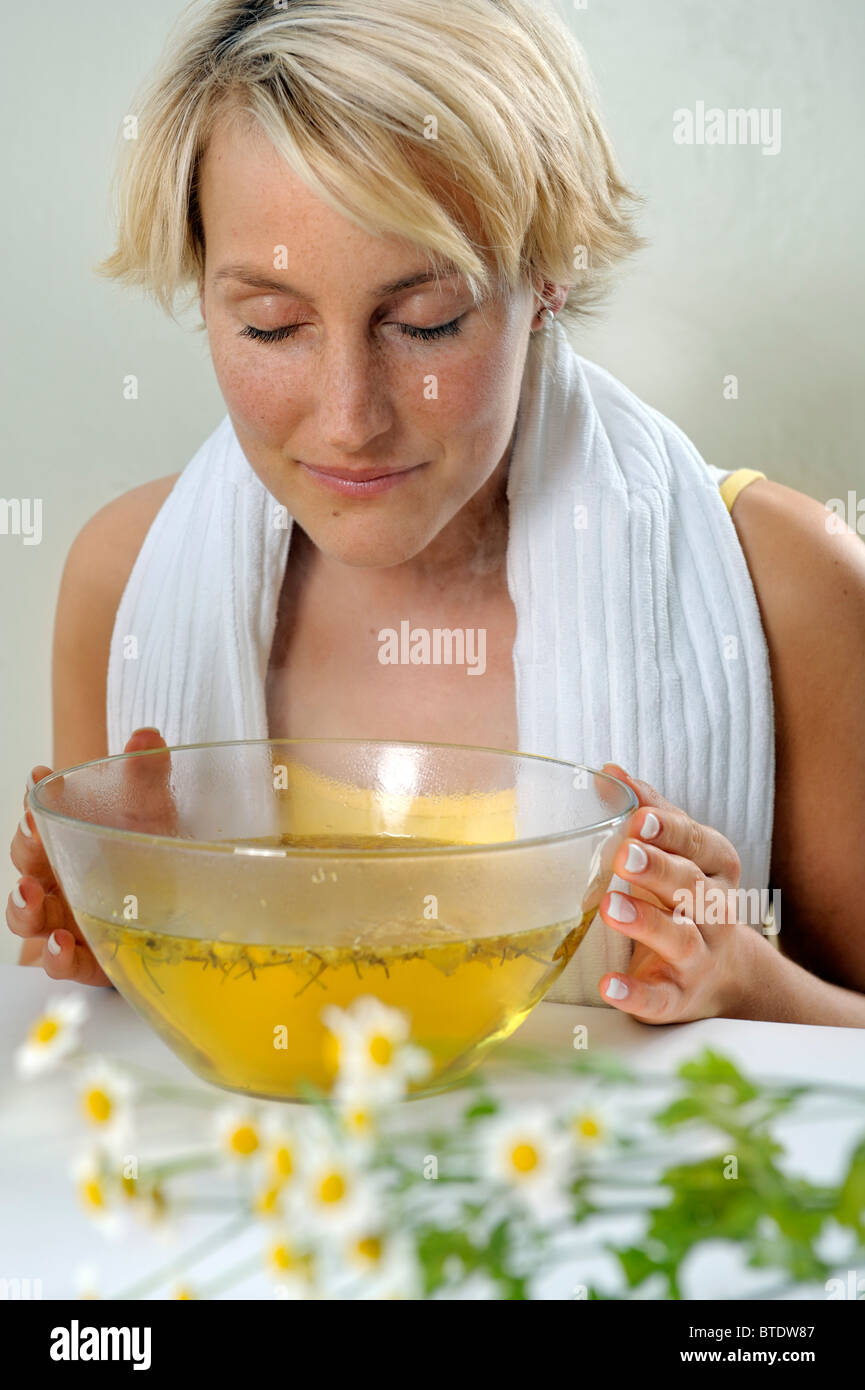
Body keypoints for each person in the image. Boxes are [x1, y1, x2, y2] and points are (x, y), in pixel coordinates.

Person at [8, 0, 865, 1024]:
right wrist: (123, 941)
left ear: (547, 276)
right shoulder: (126, 582)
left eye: (426, 321)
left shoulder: (784, 587)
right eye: (270, 326)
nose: (348, 418)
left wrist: (758, 989)